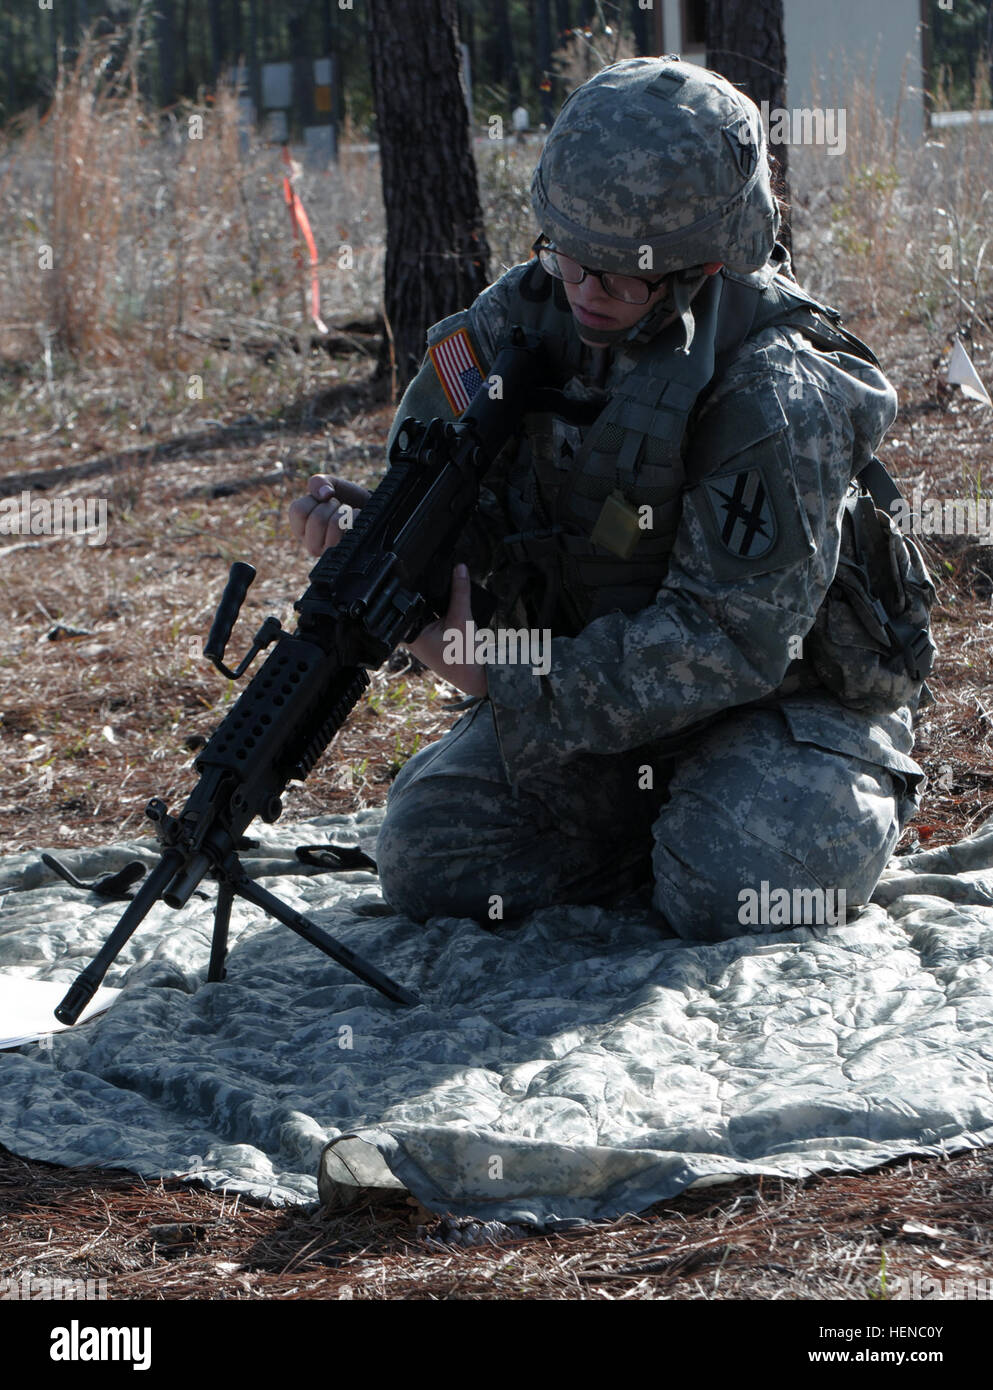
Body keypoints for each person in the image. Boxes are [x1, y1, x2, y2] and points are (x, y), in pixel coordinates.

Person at [289, 57, 934, 940]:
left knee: (733, 886)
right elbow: (467, 518)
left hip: (781, 702)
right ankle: (661, 826)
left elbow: (729, 646)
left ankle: (785, 803)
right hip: (598, 701)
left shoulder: (779, 391)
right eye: (566, 258)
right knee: (429, 856)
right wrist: (379, 543)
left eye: (619, 276)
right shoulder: (515, 324)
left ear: (703, 266)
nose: (585, 291)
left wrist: (500, 676)